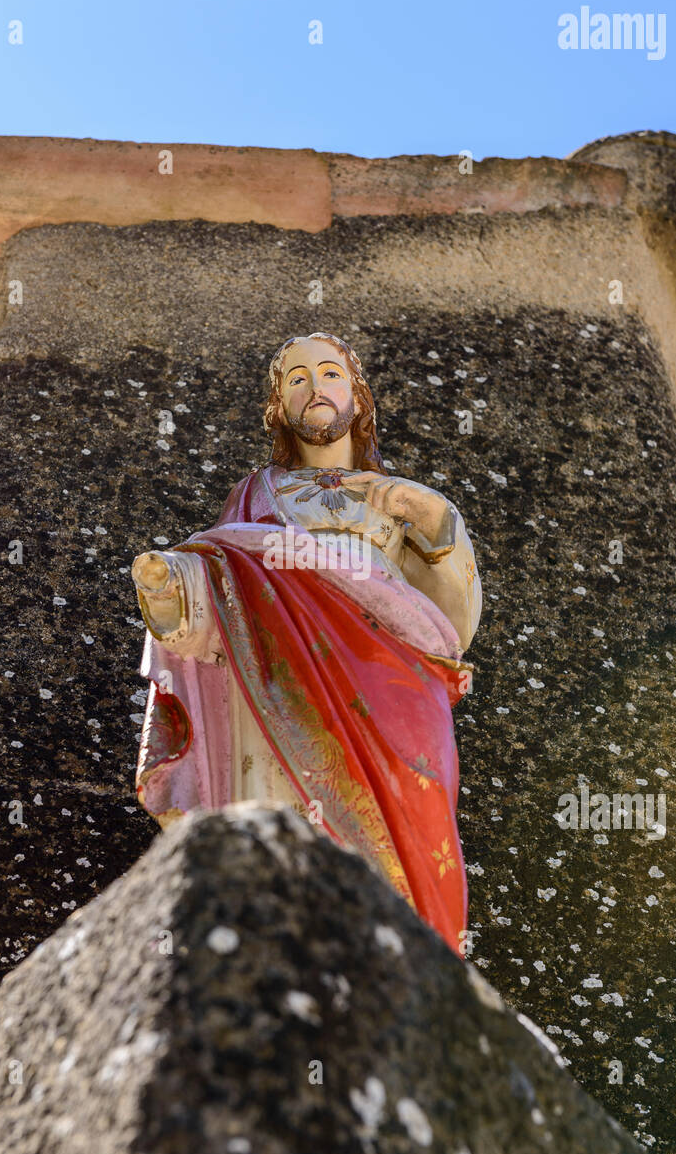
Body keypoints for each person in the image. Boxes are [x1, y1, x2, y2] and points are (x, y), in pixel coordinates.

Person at [132, 332, 482, 958]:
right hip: (278, 684)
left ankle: (399, 966)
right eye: (296, 379)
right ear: (279, 406)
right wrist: (169, 588)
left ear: (357, 395)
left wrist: (435, 520)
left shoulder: (396, 499)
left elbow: (450, 626)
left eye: (329, 373)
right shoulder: (255, 498)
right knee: (281, 827)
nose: (315, 387)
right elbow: (223, 588)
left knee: (408, 825)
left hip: (390, 686)